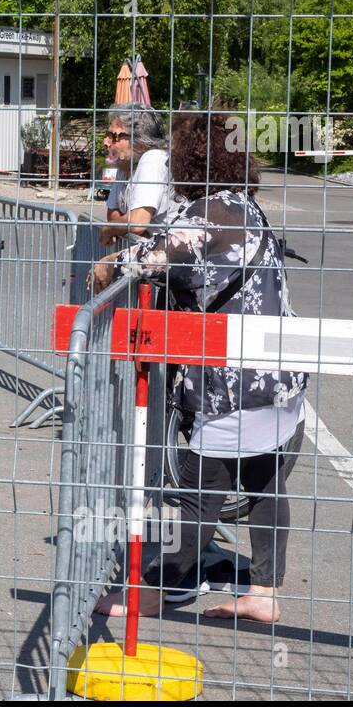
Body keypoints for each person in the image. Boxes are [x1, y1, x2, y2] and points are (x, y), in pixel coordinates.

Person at [88, 111, 308, 623]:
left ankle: (151, 591)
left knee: (195, 490)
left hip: (237, 384)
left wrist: (108, 267)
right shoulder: (245, 208)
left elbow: (155, 255)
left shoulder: (212, 212)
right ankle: (266, 592)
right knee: (264, 483)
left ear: (188, 162)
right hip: (278, 380)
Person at [98, 102, 182, 245]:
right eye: (108, 134)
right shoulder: (124, 166)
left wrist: (108, 230)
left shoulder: (153, 158)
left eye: (114, 136)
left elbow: (137, 222)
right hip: (156, 251)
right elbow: (112, 214)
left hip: (176, 256)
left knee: (103, 266)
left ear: (140, 143)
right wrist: (120, 225)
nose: (106, 141)